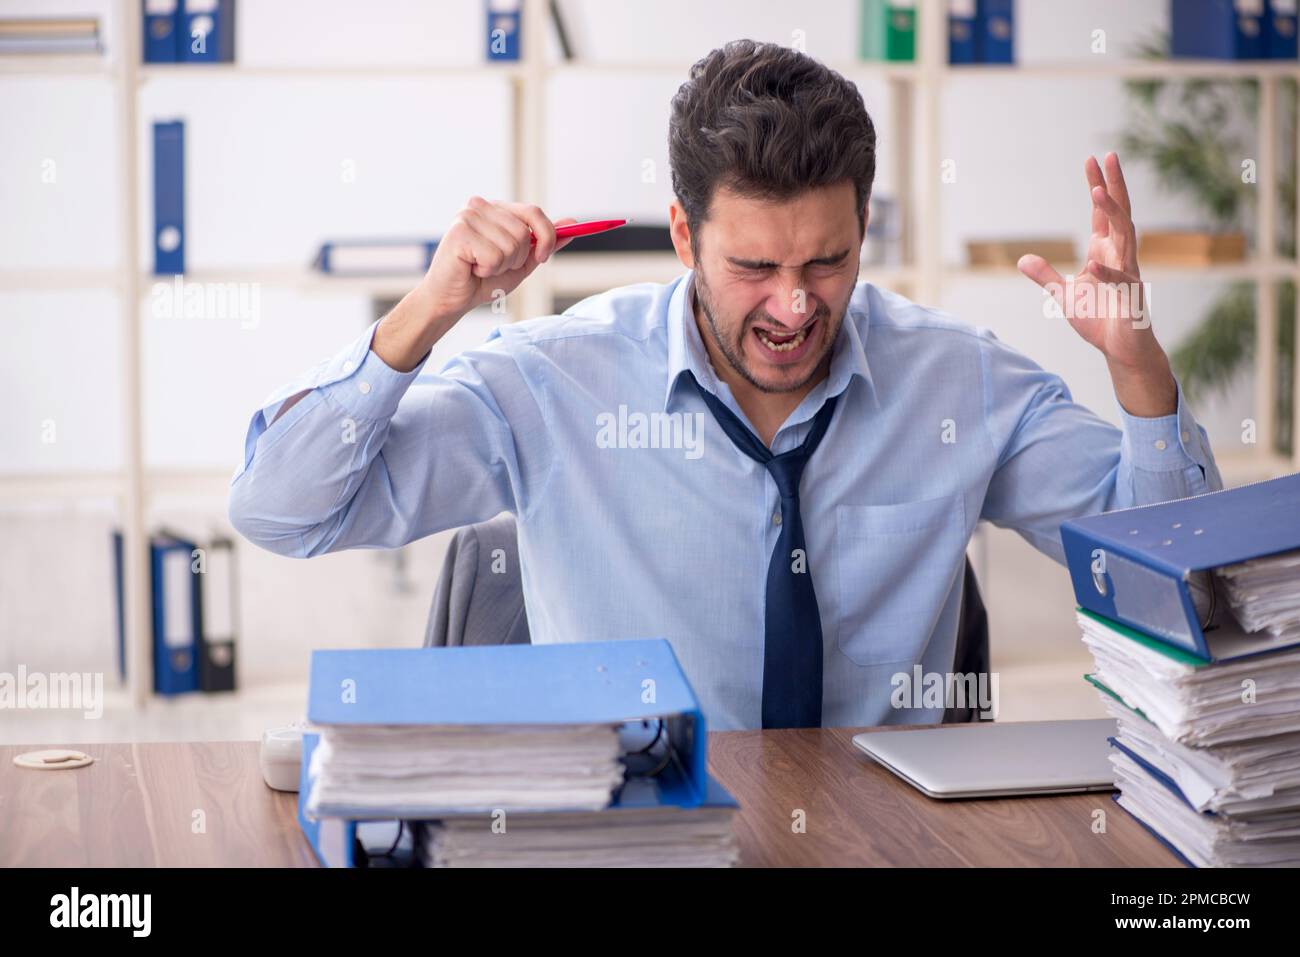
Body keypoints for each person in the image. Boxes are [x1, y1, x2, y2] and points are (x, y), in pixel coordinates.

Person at [229, 40, 1222, 731]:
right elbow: (282, 511)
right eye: (753, 268)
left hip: (881, 842)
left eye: (826, 263)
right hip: (630, 844)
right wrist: (429, 310)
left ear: (863, 228)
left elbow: (1181, 597)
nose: (792, 308)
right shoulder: (551, 383)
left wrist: (1136, 363)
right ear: (681, 235)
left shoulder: (958, 381)